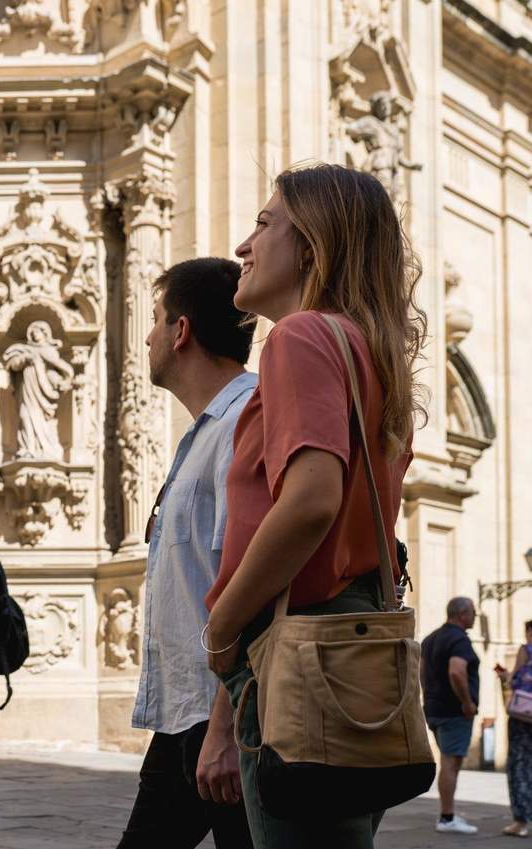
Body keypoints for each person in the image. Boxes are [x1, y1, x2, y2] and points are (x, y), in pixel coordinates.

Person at [203, 162, 427, 849]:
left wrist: (220, 626)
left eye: (263, 224)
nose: (242, 245)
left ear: (311, 247)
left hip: (299, 647)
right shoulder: (368, 353)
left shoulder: (299, 338)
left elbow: (309, 503)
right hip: (350, 645)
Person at [119, 258, 257, 849]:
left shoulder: (242, 423)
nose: (148, 335)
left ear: (181, 332)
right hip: (187, 716)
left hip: (226, 719)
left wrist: (224, 728)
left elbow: (251, 582)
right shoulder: (205, 431)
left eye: (154, 319)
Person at [421, 597, 481, 835]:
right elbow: (457, 671)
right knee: (450, 762)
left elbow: (421, 673)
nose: (475, 616)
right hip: (454, 712)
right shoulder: (459, 640)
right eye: (473, 612)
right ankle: (447, 818)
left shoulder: (431, 638)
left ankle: (448, 815)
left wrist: (428, 698)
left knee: (448, 760)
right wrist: (467, 703)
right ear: (462, 614)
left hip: (435, 709)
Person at [497, 619, 532, 838]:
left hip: (523, 715)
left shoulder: (525, 649)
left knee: (519, 766)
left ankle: (521, 822)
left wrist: (504, 677)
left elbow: (514, 681)